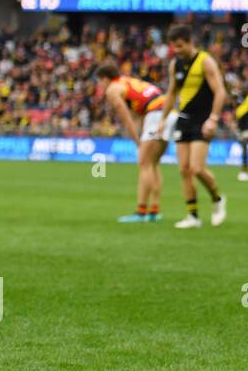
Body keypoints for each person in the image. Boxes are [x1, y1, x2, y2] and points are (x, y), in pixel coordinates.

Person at [162, 24, 227, 229]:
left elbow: (220, 91)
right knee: (184, 170)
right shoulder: (175, 64)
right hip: (183, 119)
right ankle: (193, 216)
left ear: (190, 41)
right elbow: (172, 93)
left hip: (203, 120)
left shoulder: (205, 61)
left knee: (197, 168)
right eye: (174, 47)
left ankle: (217, 198)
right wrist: (163, 119)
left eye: (180, 46)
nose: (177, 50)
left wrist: (214, 118)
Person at [95, 63, 169, 222]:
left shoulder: (113, 89)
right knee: (153, 164)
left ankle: (141, 211)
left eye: (99, 82)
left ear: (105, 79)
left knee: (144, 163)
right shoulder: (126, 81)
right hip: (167, 111)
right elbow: (138, 111)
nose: (100, 86)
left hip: (155, 113)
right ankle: (155, 211)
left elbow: (126, 118)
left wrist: (137, 141)